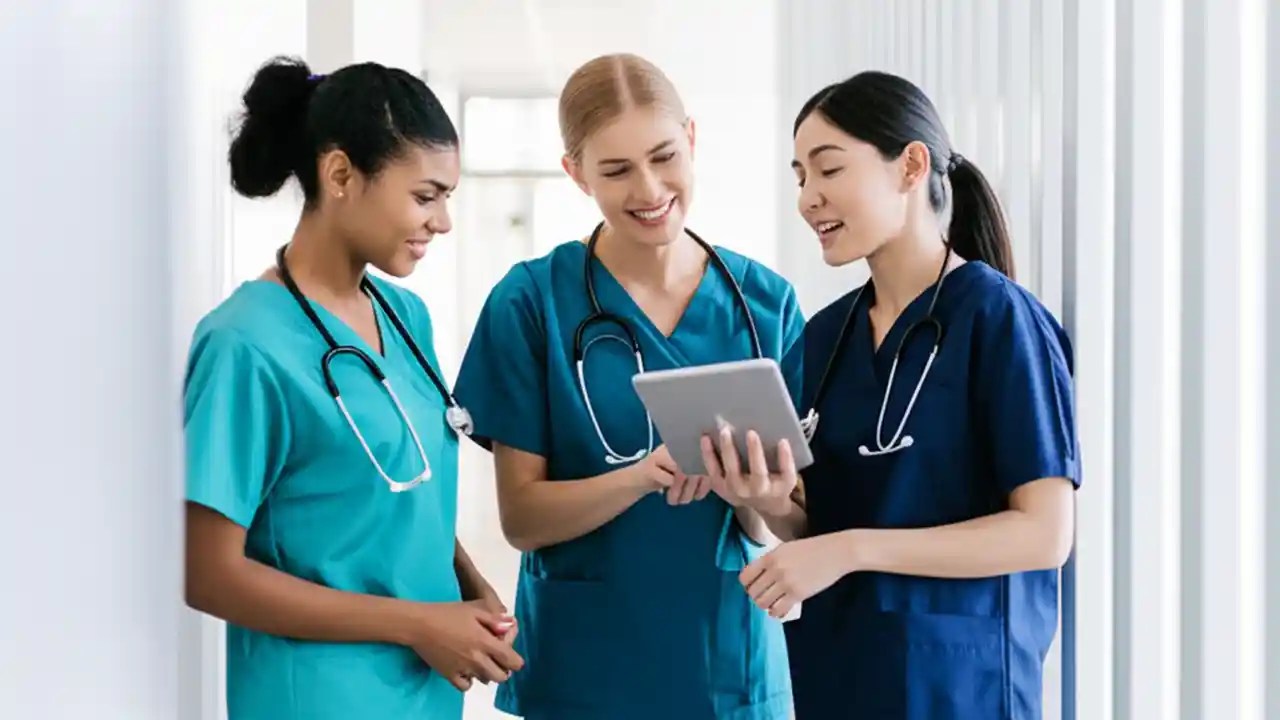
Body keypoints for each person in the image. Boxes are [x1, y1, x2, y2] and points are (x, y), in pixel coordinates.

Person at [702, 71, 1079, 719]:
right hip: (842, 672)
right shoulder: (826, 336)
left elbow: (1043, 535)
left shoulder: (999, 321)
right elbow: (818, 519)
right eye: (800, 178)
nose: (808, 199)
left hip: (962, 685)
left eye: (829, 171)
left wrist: (851, 549)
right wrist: (764, 499)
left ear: (910, 166)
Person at [452, 53, 802, 720]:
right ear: (576, 173)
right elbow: (522, 520)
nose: (649, 189)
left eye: (665, 156)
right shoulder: (532, 303)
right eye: (615, 170)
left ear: (692, 139)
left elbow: (785, 520)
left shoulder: (765, 305)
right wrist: (641, 477)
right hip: (588, 669)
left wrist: (753, 494)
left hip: (727, 666)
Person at [182, 56, 523, 720]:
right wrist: (418, 624)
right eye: (425, 196)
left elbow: (400, 485)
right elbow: (206, 573)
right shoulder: (243, 344)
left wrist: (469, 589)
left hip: (422, 694)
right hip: (316, 696)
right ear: (340, 174)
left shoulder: (405, 316)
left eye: (447, 197)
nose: (443, 221)